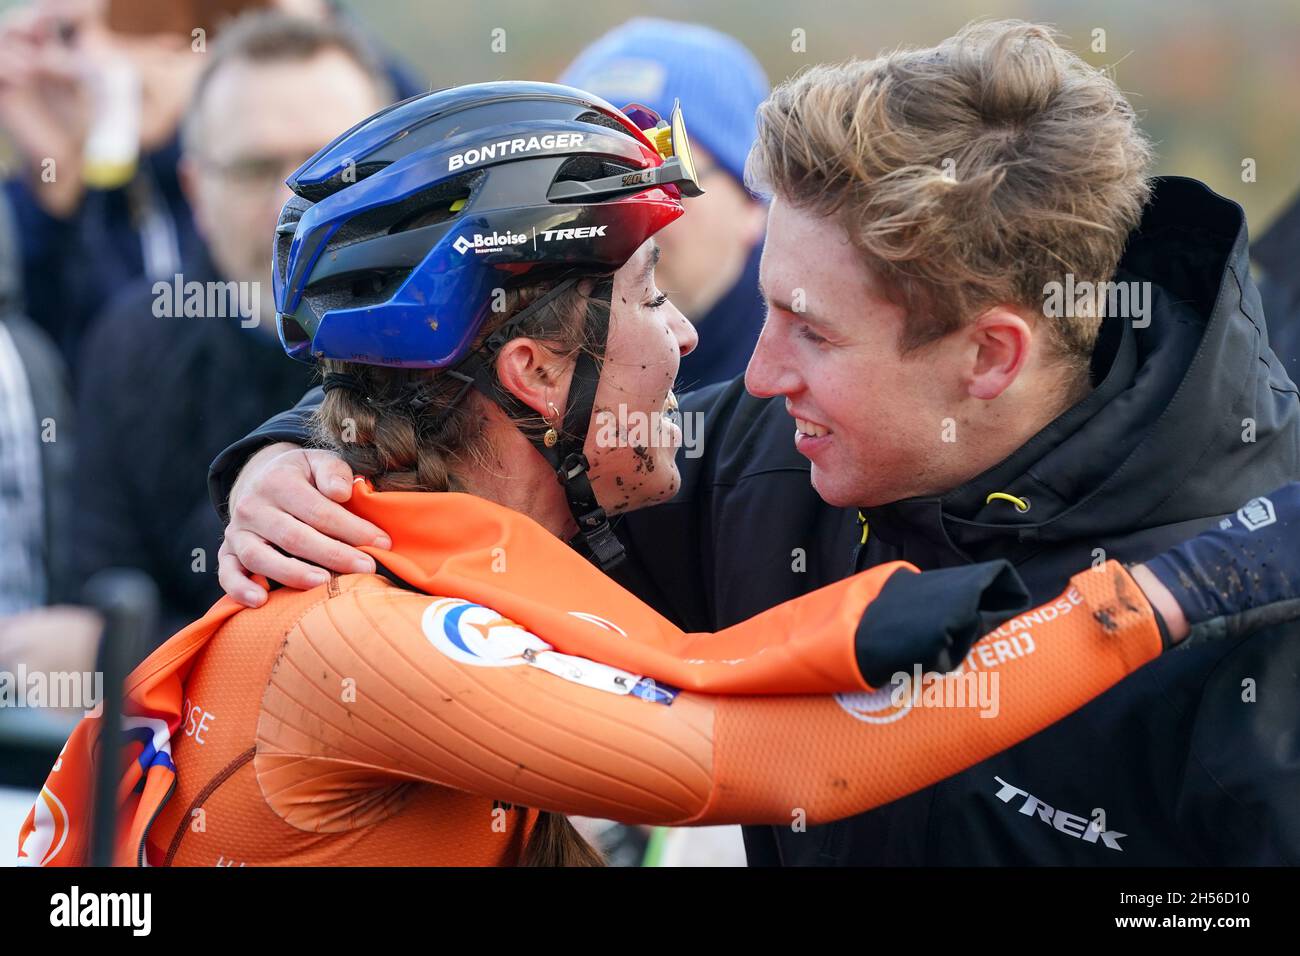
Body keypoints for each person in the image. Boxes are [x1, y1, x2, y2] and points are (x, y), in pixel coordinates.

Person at [23, 81, 1297, 869]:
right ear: (533, 370)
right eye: (656, 297)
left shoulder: (1272, 606)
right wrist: (292, 445)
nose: (737, 369)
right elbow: (773, 765)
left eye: (809, 327)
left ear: (988, 356)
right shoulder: (386, 598)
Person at [71, 11, 389, 645]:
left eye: (329, 170)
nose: (288, 210)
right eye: (252, 170)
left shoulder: (467, 344)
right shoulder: (131, 349)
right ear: (195, 191)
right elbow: (99, 590)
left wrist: (121, 650)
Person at [0, 0, 423, 370]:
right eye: (62, 36)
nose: (86, 61)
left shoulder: (286, 111)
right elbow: (76, 396)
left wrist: (306, 16)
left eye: (117, 21)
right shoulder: (77, 190)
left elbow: (417, 161)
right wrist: (53, 199)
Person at [559, 18, 769, 389]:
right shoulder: (494, 373)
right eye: (591, 178)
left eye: (667, 177)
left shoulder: (805, 395)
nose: (627, 209)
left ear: (753, 205)